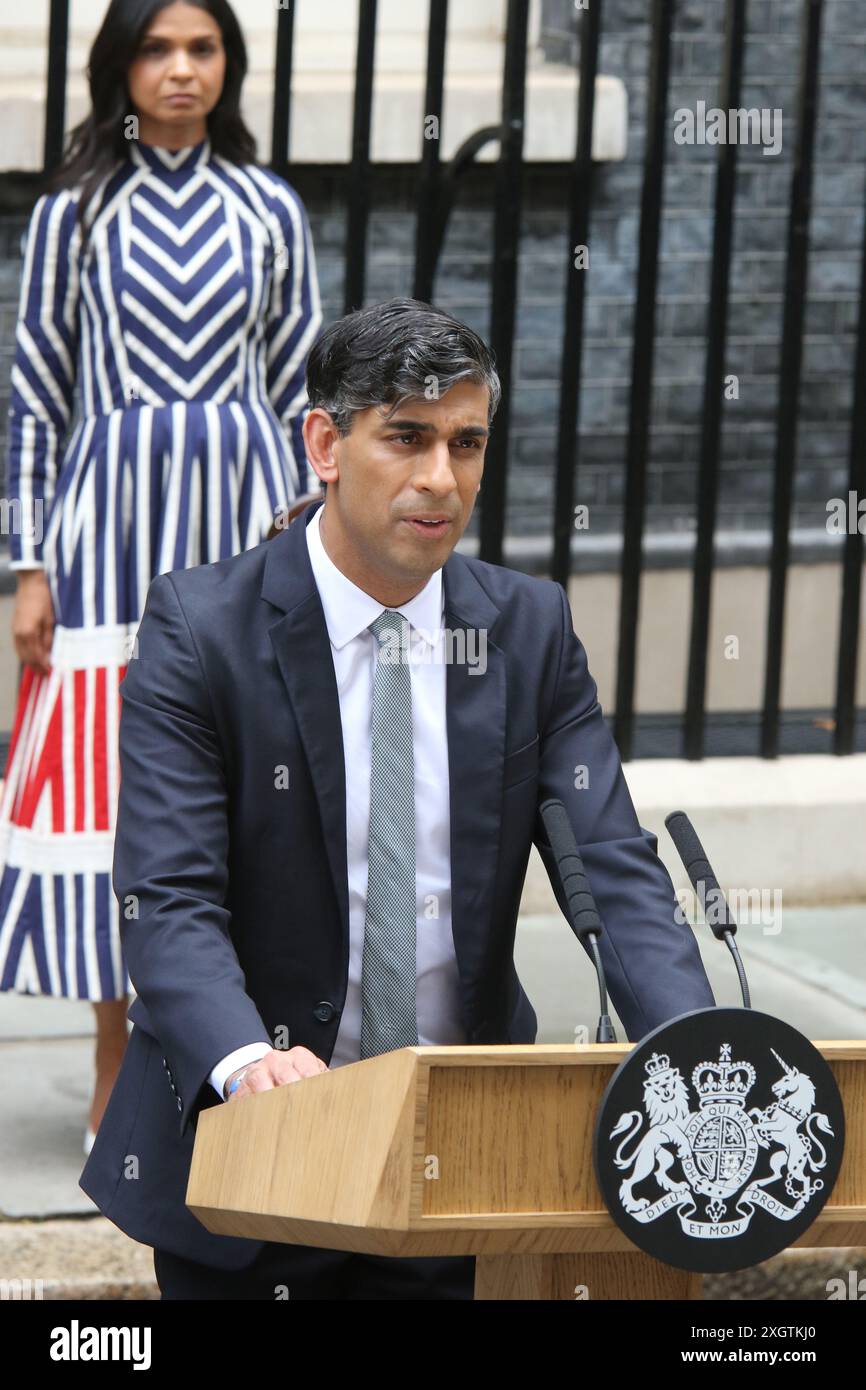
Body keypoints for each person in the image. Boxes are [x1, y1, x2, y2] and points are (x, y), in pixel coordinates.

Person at [79, 296, 716, 1299]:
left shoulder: (529, 630)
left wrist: (696, 1050)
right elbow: (168, 900)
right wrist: (251, 1061)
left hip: (464, 1171)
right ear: (325, 443)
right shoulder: (199, 629)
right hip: (256, 1161)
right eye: (407, 438)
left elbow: (616, 872)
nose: (439, 478)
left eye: (465, 444)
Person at [0, 0, 322, 1155]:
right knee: (107, 784)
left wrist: (306, 540)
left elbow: (306, 400)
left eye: (202, 49)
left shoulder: (269, 207)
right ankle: (113, 1054)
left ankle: (217, 1046)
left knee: (235, 766)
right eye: (156, 48)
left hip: (239, 510)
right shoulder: (72, 211)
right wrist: (27, 563)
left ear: (226, 68)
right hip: (106, 522)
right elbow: (35, 390)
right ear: (120, 66)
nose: (180, 70)